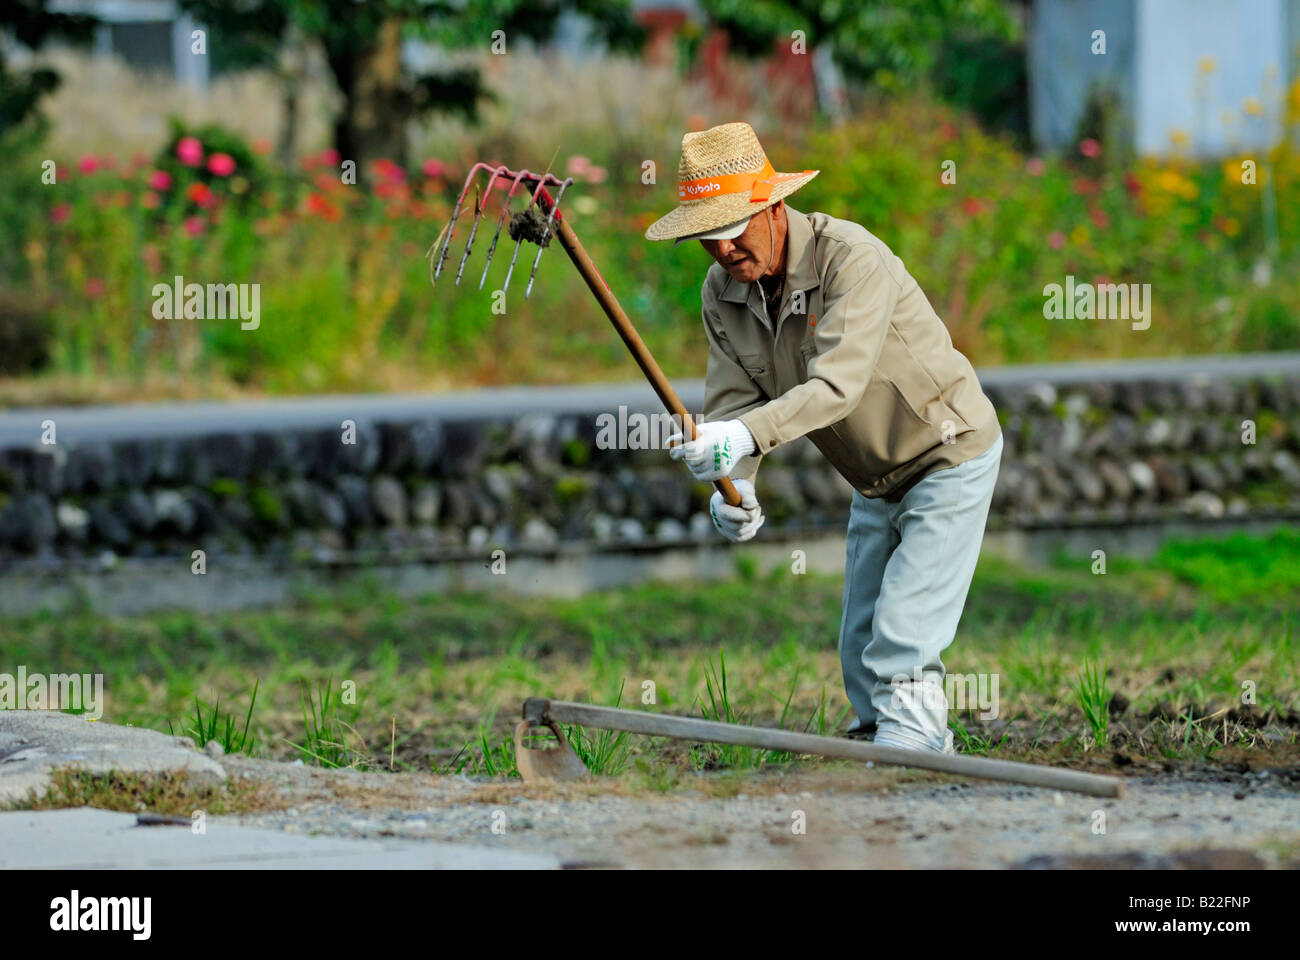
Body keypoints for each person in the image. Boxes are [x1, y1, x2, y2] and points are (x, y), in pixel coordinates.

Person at [646, 122, 1003, 754]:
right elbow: (734, 400)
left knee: (904, 632)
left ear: (774, 209)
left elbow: (837, 388)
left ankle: (916, 751)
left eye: (732, 230)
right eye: (707, 239)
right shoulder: (721, 292)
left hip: (947, 453)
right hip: (872, 476)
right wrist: (737, 486)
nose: (723, 251)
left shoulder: (851, 259)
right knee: (860, 647)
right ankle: (878, 745)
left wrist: (741, 437)